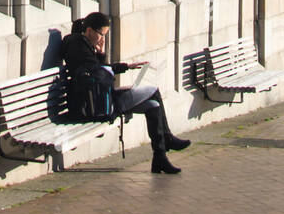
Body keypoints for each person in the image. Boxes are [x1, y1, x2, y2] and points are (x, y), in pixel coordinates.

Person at [60, 11, 190, 175]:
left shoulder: (83, 44)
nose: (102, 39)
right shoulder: (77, 46)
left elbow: (97, 72)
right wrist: (120, 65)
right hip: (96, 106)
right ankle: (168, 139)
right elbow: (98, 73)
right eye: (101, 35)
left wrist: (107, 57)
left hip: (99, 100)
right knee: (153, 91)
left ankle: (160, 157)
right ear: (90, 31)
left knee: (153, 105)